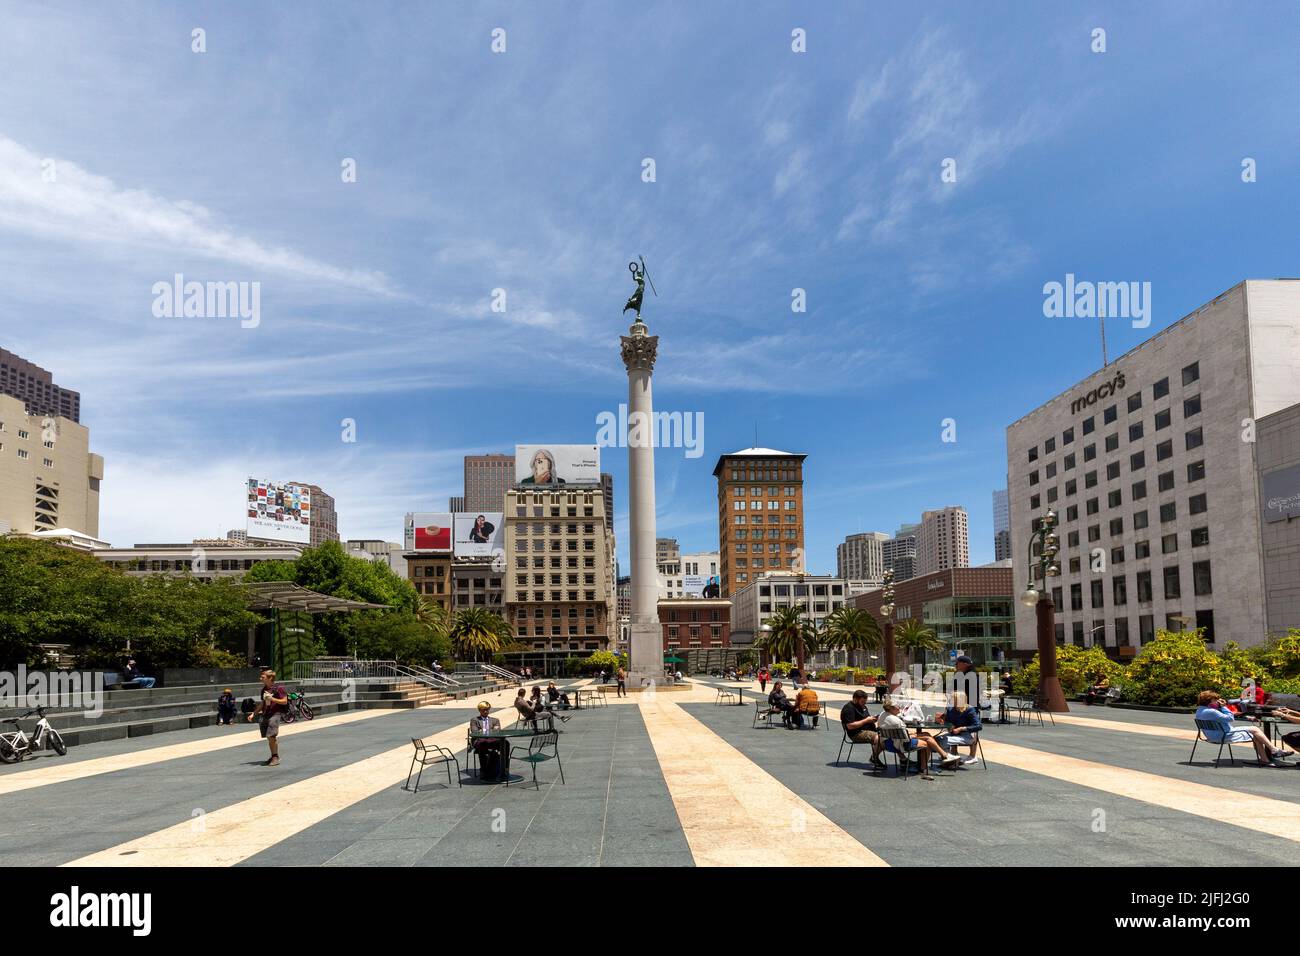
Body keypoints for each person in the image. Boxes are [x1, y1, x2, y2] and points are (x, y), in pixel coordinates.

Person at [1195, 690, 1297, 767]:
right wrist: (1223, 707)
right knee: (1255, 730)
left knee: (1256, 734)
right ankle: (1274, 750)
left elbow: (1225, 716)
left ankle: (1265, 760)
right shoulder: (1212, 711)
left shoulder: (1201, 710)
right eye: (1215, 700)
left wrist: (1245, 716)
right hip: (1223, 736)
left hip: (1213, 735)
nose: (1218, 701)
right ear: (1210, 701)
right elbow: (1230, 718)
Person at [878, 698, 962, 780]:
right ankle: (924, 768)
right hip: (900, 745)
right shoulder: (896, 721)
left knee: (927, 735)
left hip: (887, 743)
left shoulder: (883, 715)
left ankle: (944, 756)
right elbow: (906, 738)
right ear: (891, 708)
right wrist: (914, 735)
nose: (899, 707)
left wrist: (913, 734)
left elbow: (900, 733)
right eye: (897, 706)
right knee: (927, 741)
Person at [246, 669, 288, 766]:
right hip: (266, 713)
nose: (260, 678)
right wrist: (253, 713)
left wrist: (272, 698)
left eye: (263, 677)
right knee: (269, 737)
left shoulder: (279, 688)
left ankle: (275, 757)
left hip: (275, 713)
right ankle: (273, 755)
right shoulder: (264, 689)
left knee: (271, 736)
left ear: (270, 678)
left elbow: (285, 701)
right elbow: (262, 703)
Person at [840, 689, 885, 769]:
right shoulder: (849, 708)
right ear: (855, 699)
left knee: (888, 734)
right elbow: (850, 726)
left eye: (865, 702)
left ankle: (903, 760)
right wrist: (866, 720)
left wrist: (873, 719)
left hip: (869, 730)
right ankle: (874, 758)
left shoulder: (863, 707)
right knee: (880, 738)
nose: (864, 704)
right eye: (862, 702)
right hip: (856, 733)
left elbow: (866, 718)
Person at [937, 691, 982, 765]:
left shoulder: (969, 709)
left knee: (943, 741)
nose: (951, 700)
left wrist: (961, 728)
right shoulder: (950, 709)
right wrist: (943, 722)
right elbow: (947, 722)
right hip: (954, 734)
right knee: (937, 739)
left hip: (967, 735)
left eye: (953, 699)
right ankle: (952, 757)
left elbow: (979, 726)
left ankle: (950, 758)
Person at [469, 702, 508, 781]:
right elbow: (475, 732)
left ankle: (505, 767)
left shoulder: (495, 720)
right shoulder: (474, 720)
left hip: (492, 740)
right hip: (479, 740)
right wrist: (491, 730)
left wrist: (483, 730)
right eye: (484, 710)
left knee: (506, 743)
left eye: (487, 710)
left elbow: (498, 731)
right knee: (482, 745)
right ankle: (483, 770)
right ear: (480, 710)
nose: (486, 711)